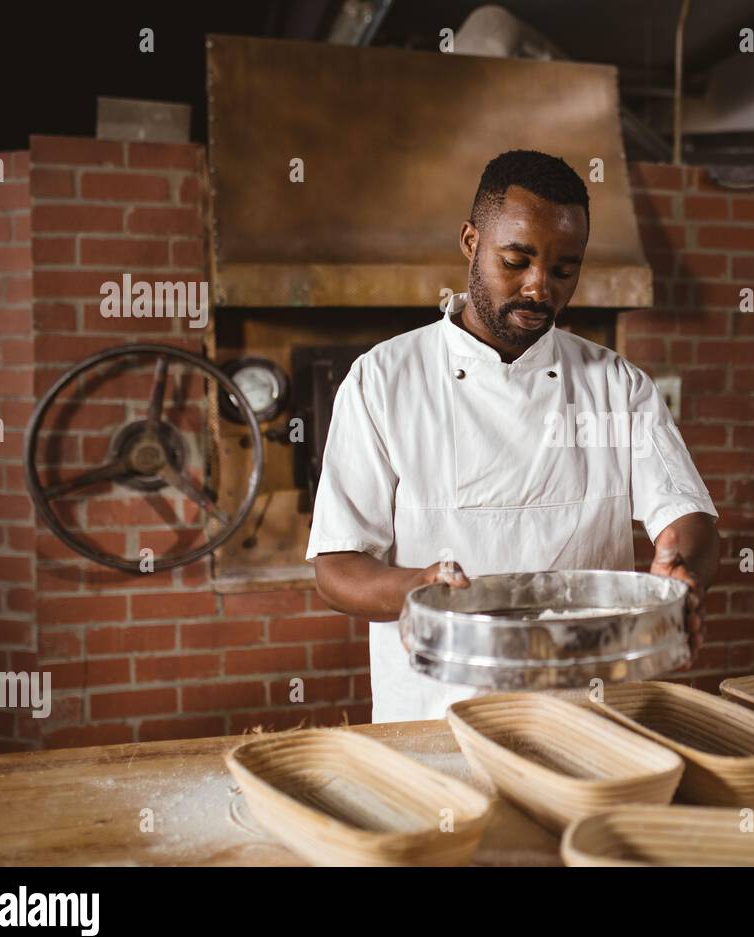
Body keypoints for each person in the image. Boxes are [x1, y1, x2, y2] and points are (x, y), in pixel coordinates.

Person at [307, 149, 719, 722]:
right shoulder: (384, 380)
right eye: (516, 260)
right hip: (437, 715)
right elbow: (336, 568)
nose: (538, 288)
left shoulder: (616, 385)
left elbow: (686, 517)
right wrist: (419, 589)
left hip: (594, 713)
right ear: (472, 242)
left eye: (563, 270)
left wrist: (683, 569)